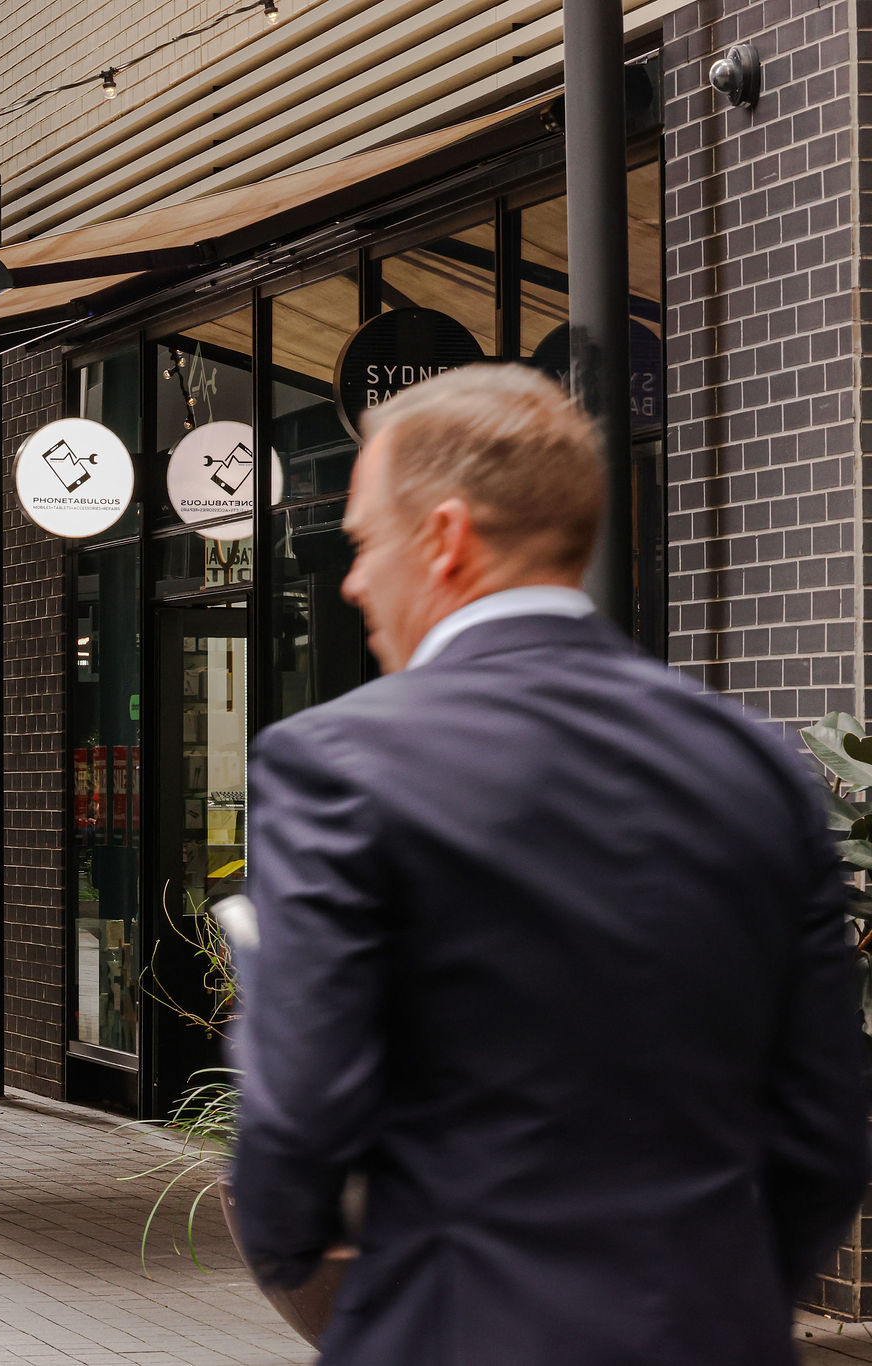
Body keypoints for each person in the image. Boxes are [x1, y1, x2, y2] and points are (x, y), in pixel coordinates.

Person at [227, 366, 868, 1366]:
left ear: (443, 539)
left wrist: (299, 1255)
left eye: (360, 541)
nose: (351, 580)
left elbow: (300, 1110)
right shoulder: (754, 762)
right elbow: (826, 1130)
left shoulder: (336, 763)